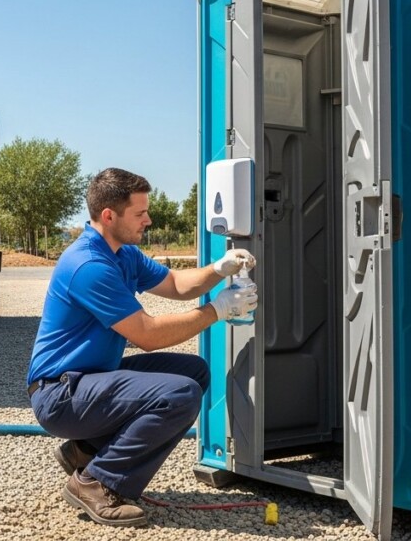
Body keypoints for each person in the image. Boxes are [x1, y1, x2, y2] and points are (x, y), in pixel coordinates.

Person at [26, 167, 258, 527]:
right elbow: (146, 335)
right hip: (60, 394)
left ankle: (84, 451)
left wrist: (218, 268)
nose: (148, 220)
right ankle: (96, 482)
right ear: (108, 216)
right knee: (179, 395)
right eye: (139, 213)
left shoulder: (123, 253)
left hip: (88, 380)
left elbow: (177, 284)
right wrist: (219, 309)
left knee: (193, 372)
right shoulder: (88, 264)